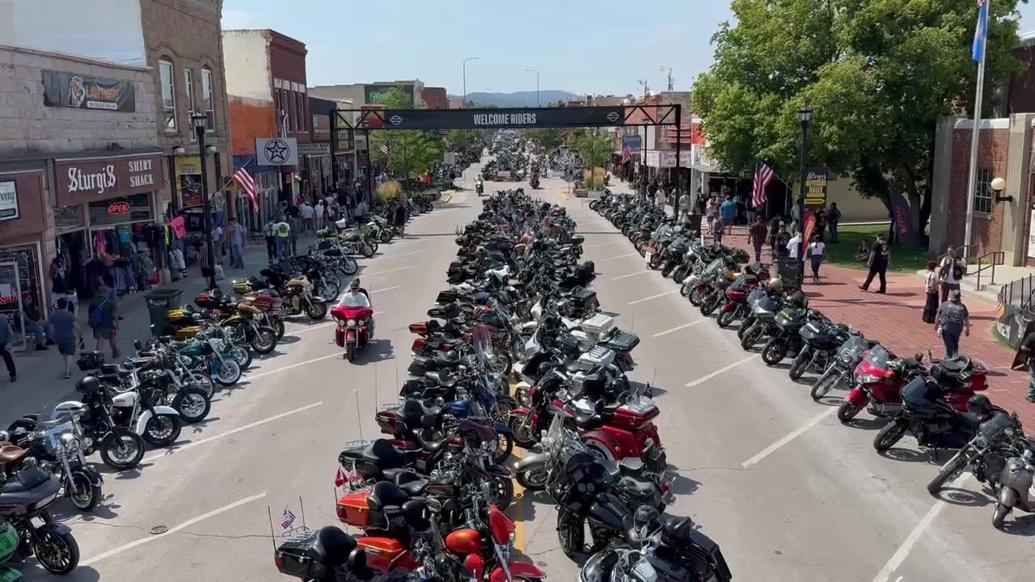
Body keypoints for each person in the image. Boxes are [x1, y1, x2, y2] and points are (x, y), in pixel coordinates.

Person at [47, 297, 80, 379]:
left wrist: (53, 337)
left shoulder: (53, 315)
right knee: (70, 354)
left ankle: (67, 368)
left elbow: (51, 328)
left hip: (59, 338)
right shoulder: (70, 315)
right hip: (69, 338)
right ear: (66, 305)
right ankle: (67, 372)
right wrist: (79, 335)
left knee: (64, 353)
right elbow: (76, 327)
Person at [89, 278, 118, 359]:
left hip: (98, 325)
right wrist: (116, 323)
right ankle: (114, 350)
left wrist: (91, 323)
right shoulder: (109, 302)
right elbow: (114, 314)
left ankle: (98, 357)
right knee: (112, 338)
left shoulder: (93, 302)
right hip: (108, 324)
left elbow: (90, 314)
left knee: (100, 341)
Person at [936, 289, 970, 359]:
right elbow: (966, 318)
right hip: (957, 329)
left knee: (949, 345)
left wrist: (936, 325)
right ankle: (955, 356)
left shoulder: (945, 304)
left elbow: (938, 315)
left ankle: (949, 359)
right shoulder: (962, 307)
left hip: (946, 328)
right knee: (955, 343)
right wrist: (967, 329)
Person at [1016, 328, 1035, 402]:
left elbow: (1023, 347)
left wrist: (1029, 352)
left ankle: (1032, 395)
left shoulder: (1032, 335)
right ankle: (1031, 395)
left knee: (1034, 378)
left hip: (1034, 360)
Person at [0, 314, 15, 382]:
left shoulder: (2, 319)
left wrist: (8, 344)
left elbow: (10, 333)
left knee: (7, 357)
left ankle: (13, 374)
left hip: (3, 343)